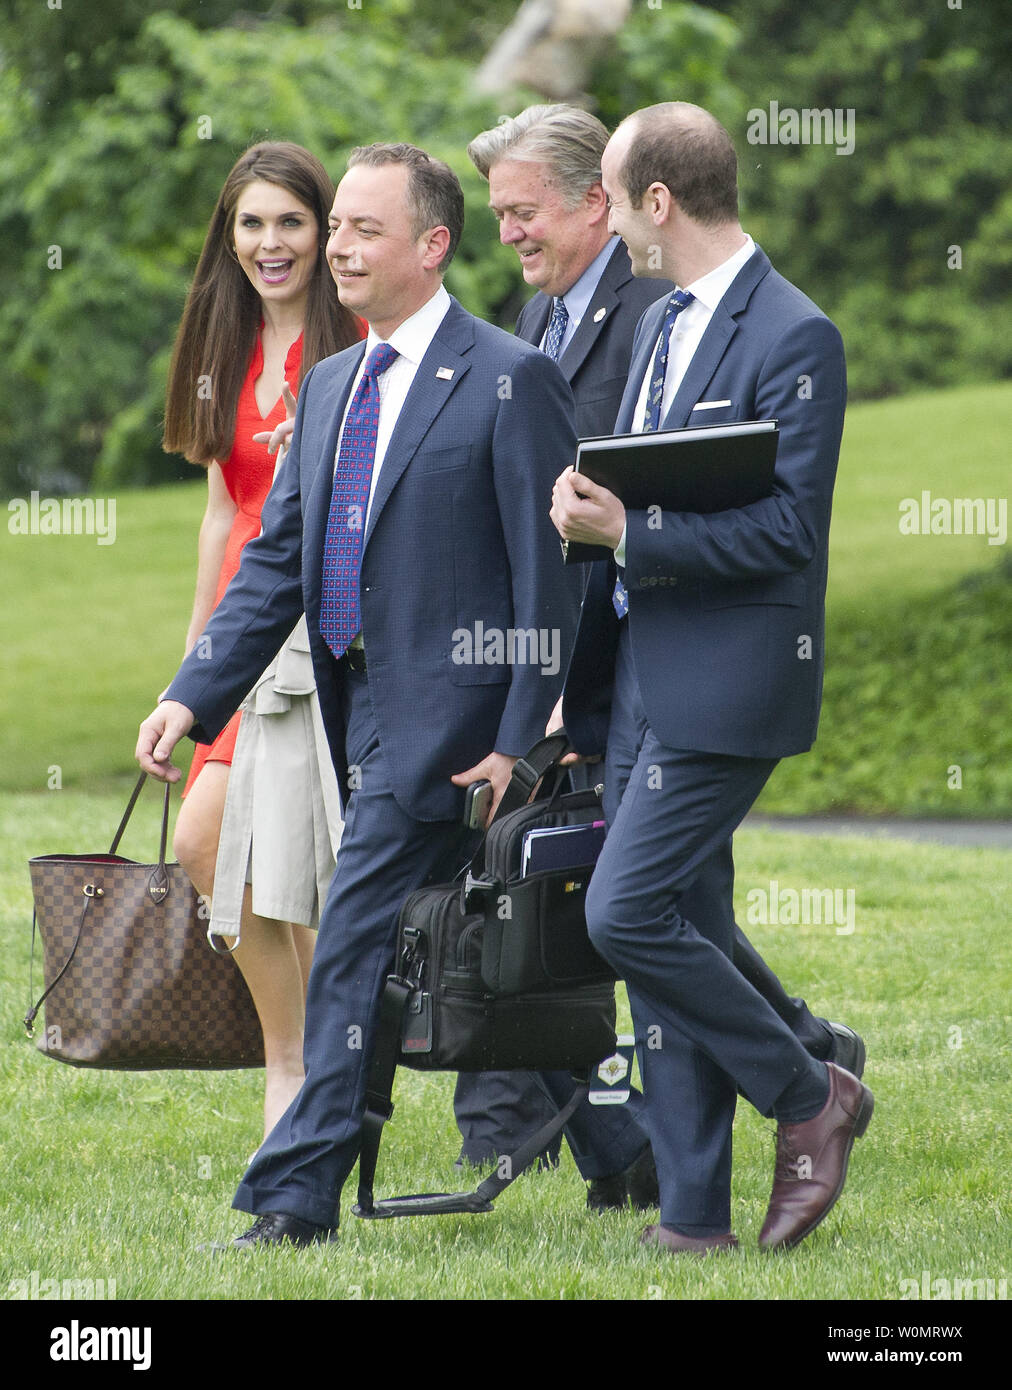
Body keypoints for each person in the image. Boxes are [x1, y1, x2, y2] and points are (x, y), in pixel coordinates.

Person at [136, 143, 651, 1250]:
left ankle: (294, 1198)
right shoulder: (332, 385)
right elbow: (276, 560)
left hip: (455, 734)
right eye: (342, 229)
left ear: (430, 246)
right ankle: (632, 1152)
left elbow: (552, 570)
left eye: (365, 230)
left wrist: (517, 739)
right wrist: (192, 695)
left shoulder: (510, 376)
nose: (338, 250)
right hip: (353, 714)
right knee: (482, 945)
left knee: (358, 940)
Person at [454, 103, 865, 1191]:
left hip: (722, 681)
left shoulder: (794, 332)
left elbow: (788, 531)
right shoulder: (660, 322)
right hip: (630, 678)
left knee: (624, 911)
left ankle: (810, 1089)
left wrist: (627, 530)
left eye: (615, 190)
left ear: (654, 201)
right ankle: (688, 1208)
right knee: (677, 917)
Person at [162, 141, 362, 1138]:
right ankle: (311, 1058)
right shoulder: (224, 344)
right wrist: (193, 668)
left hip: (316, 631)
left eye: (290, 220)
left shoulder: (359, 342)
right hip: (242, 635)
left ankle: (315, 1066)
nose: (270, 243)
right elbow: (218, 513)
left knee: (288, 863)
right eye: (251, 223)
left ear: (324, 229)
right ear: (228, 235)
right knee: (213, 847)